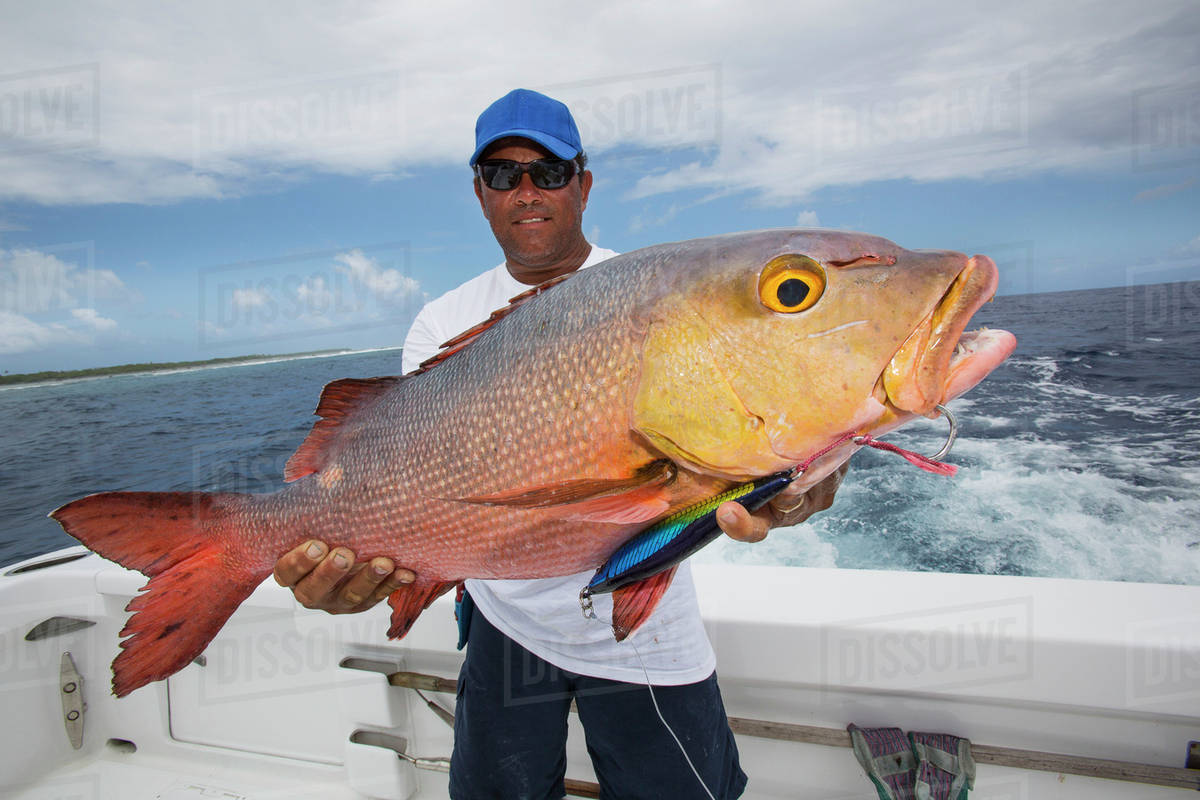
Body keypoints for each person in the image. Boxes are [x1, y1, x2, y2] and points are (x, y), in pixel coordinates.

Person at [273, 89, 847, 799]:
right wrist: (368, 561)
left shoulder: (657, 294)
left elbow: (728, 453)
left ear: (583, 185)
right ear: (480, 193)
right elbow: (410, 471)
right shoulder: (439, 321)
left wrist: (794, 482)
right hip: (502, 621)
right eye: (502, 173)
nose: (526, 190)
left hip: (643, 629)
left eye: (548, 172)